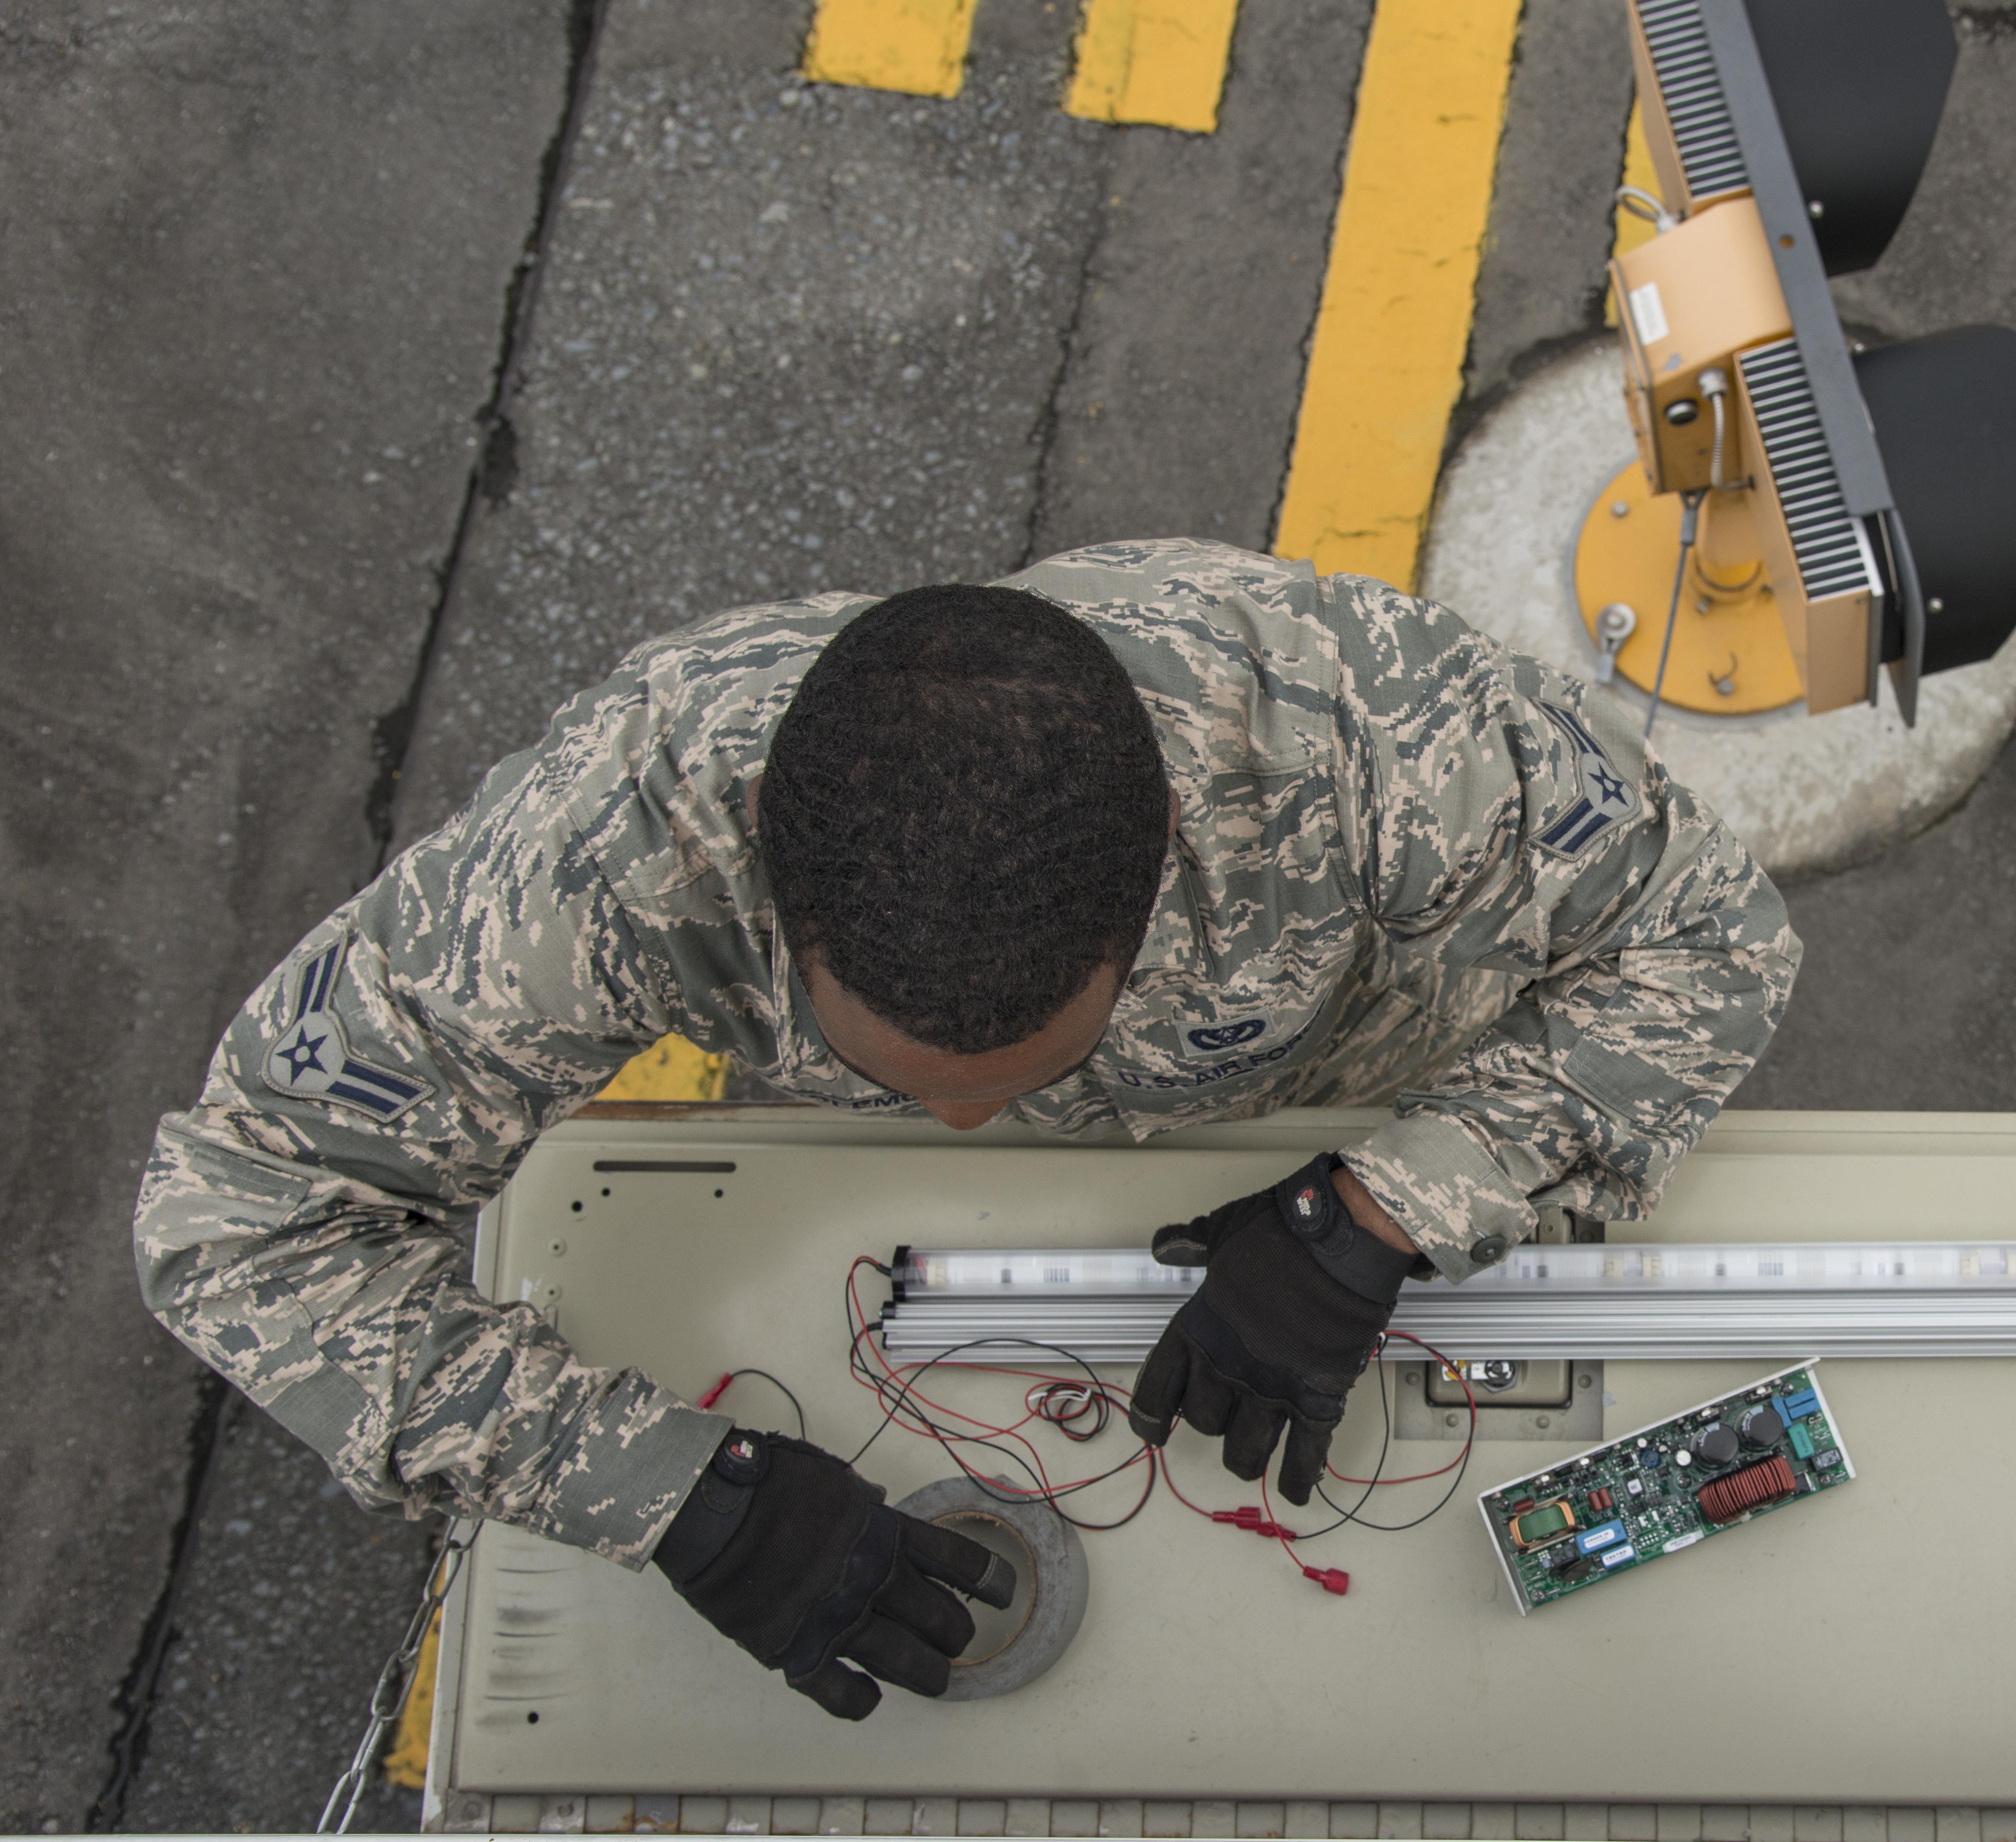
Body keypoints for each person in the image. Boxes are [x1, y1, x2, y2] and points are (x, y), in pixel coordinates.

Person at [133, 540, 1800, 1719]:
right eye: (917, 1083)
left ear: (1165, 849)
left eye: (1018, 1070)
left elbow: (1715, 942)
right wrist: (661, 1490)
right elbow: (237, 1211)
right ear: (759, 879)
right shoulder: (613, 850)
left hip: (1326, 1102)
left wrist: (1383, 1209)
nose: (981, 1128)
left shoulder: (1382, 745)